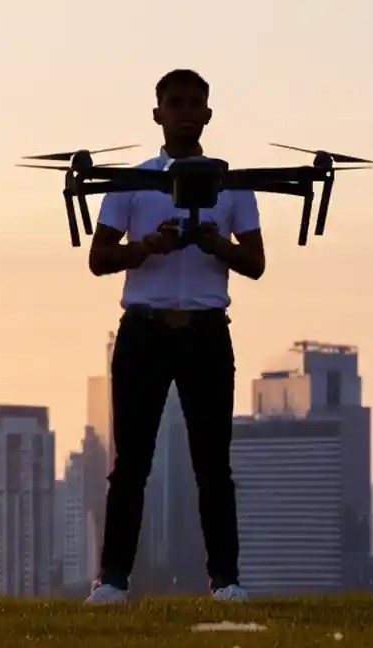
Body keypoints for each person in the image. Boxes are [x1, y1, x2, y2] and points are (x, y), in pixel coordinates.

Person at [85, 69, 265, 605]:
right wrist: (147, 248)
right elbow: (99, 258)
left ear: (208, 114)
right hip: (143, 330)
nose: (186, 111)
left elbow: (255, 262)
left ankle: (226, 581)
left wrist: (216, 246)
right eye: (176, 103)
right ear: (158, 113)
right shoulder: (133, 183)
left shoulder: (232, 185)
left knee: (212, 464)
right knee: (130, 465)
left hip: (208, 332)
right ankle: (113, 580)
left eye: (195, 103)